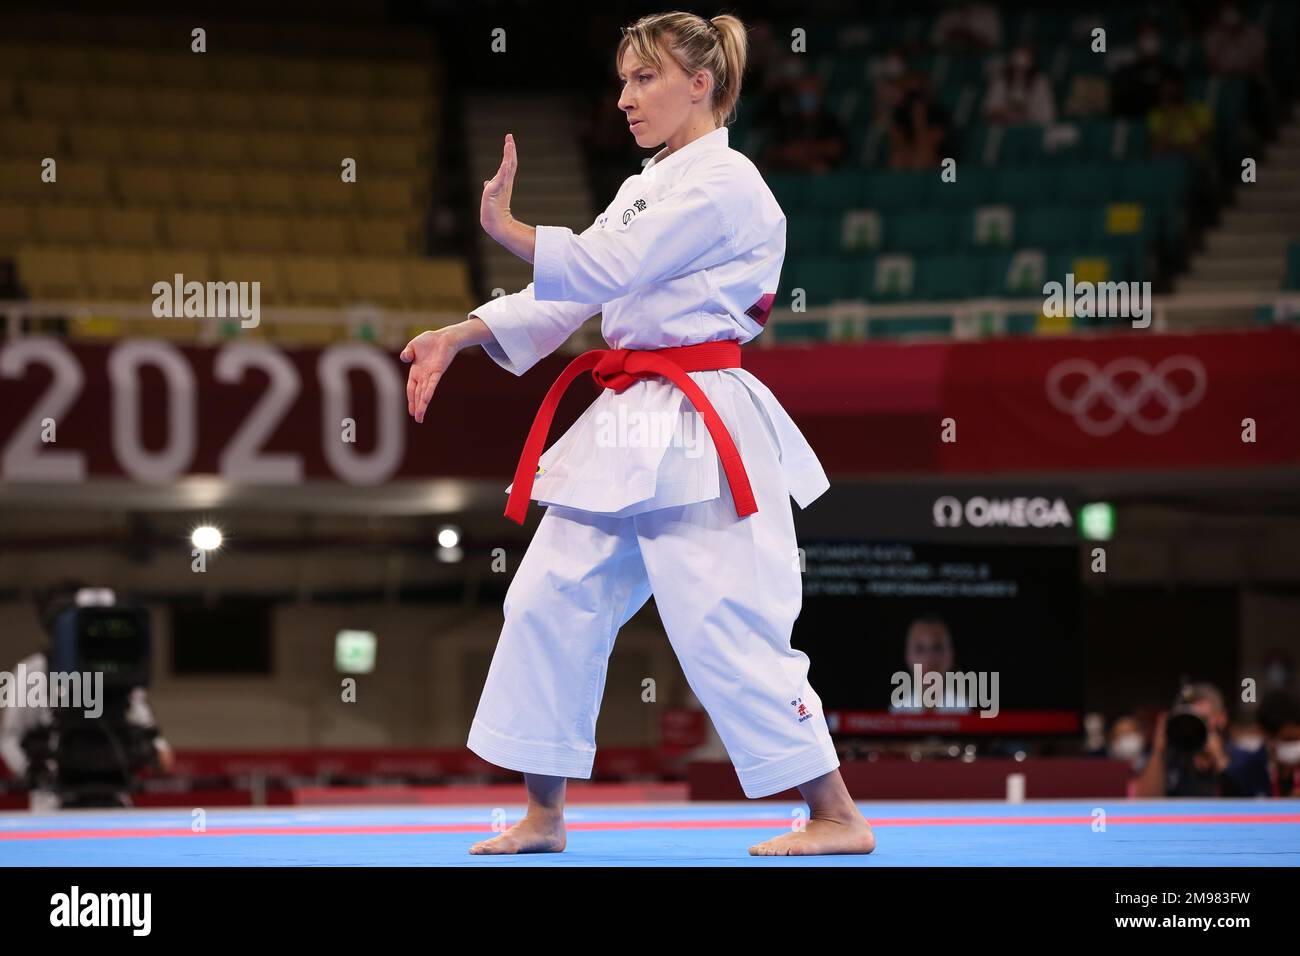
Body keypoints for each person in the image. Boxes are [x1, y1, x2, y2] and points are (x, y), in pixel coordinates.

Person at [400, 10, 873, 857]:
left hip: (701, 416)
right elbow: (573, 293)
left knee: (725, 618)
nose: (624, 97)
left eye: (643, 77)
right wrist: (460, 333)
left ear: (702, 84)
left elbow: (601, 266)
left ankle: (837, 813)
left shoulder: (727, 183)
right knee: (546, 598)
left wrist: (509, 231)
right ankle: (545, 816)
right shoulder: (648, 182)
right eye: (621, 79)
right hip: (628, 419)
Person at [983, 44, 1055, 125]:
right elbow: (991, 110)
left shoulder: (1041, 82)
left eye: (1026, 55)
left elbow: (1046, 118)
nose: (1021, 61)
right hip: (1003, 129)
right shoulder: (1001, 80)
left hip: (1029, 131)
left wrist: (1021, 118)